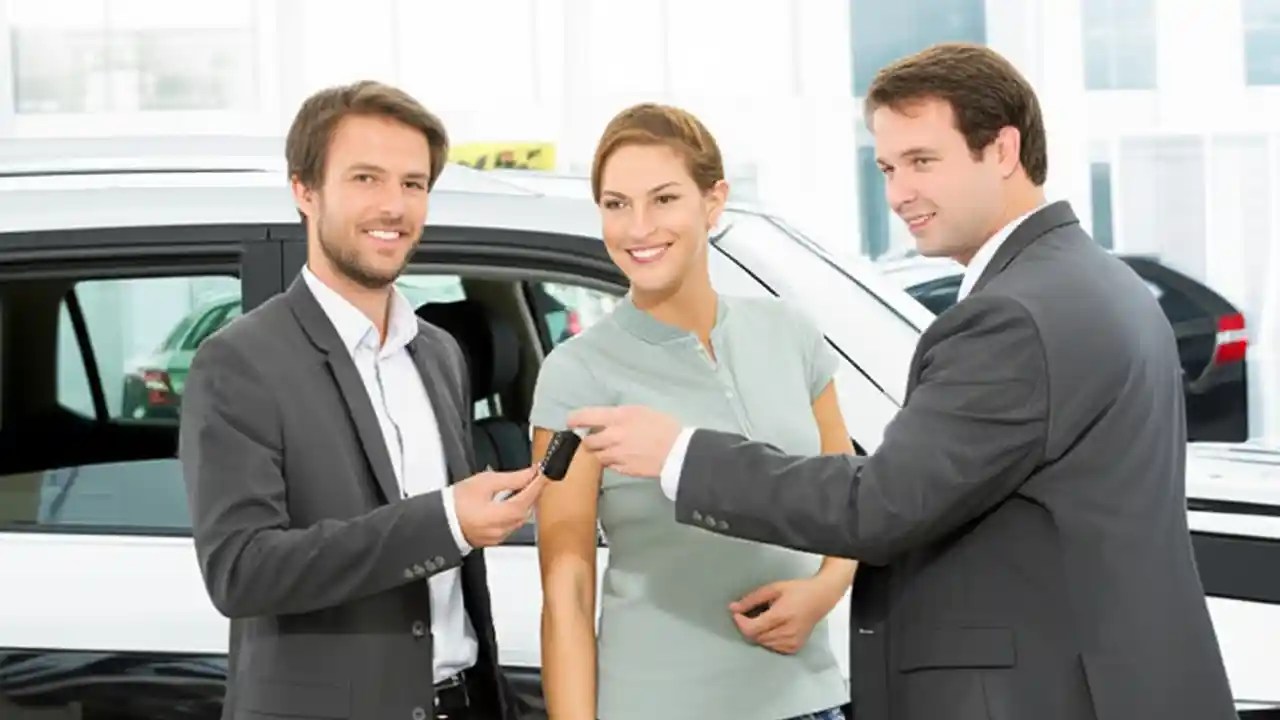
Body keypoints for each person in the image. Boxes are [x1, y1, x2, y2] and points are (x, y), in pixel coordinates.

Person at [565, 44, 1238, 720]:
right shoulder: (1100, 281)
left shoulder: (1012, 315)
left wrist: (681, 454)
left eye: (922, 161)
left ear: (1002, 150)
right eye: (887, 168)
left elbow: (880, 505)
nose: (898, 193)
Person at [179, 80, 545, 720]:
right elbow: (241, 570)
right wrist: (447, 522)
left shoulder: (437, 354)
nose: (394, 206)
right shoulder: (238, 362)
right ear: (304, 190)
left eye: (413, 184)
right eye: (366, 179)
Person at [528, 103, 855, 720]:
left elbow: (851, 506)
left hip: (813, 700)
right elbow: (566, 591)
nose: (637, 227)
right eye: (616, 203)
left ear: (714, 200)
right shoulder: (578, 374)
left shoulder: (790, 334)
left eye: (664, 199)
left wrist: (823, 591)